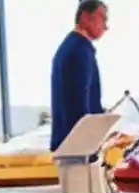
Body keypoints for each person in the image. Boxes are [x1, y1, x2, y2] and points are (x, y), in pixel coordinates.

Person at [50, 1, 108, 151]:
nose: (105, 26)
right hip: (78, 148)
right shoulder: (80, 51)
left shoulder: (69, 46)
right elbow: (79, 103)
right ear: (85, 17)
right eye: (102, 18)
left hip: (69, 144)